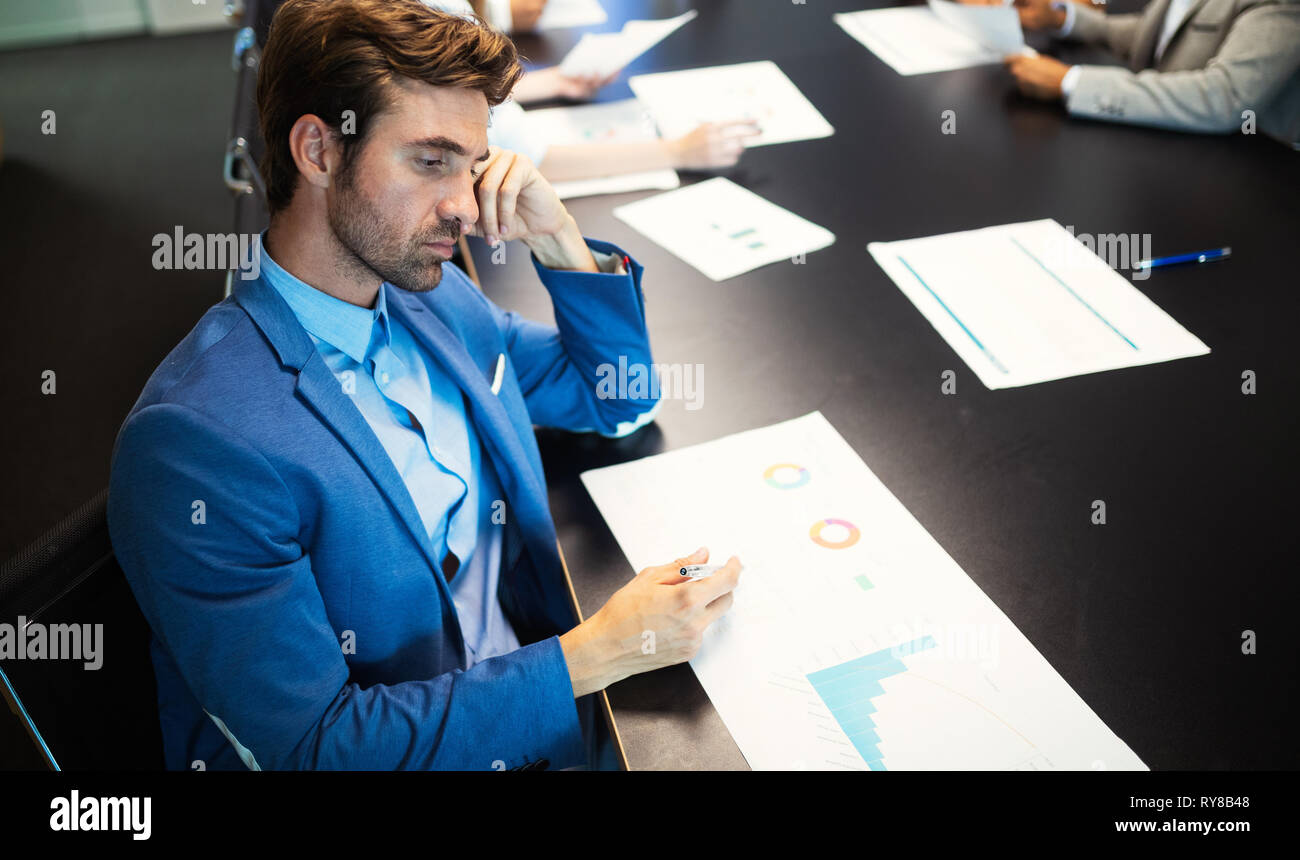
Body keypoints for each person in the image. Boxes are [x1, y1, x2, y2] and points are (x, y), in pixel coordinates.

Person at [107, 0, 741, 771]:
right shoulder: (196, 444)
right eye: (430, 161)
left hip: (537, 698)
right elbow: (317, 750)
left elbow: (615, 399)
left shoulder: (430, 296)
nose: (467, 207)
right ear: (318, 150)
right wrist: (591, 657)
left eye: (473, 166)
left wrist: (559, 237)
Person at [425, 0, 761, 181]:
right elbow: (530, 159)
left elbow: (447, 89)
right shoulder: (433, 13)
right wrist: (679, 152)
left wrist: (551, 83)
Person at [1002, 0, 1300, 146]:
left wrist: (1071, 82)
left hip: (1250, 178)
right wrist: (1063, 20)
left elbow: (1225, 97)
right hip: (1173, 147)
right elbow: (1152, 35)